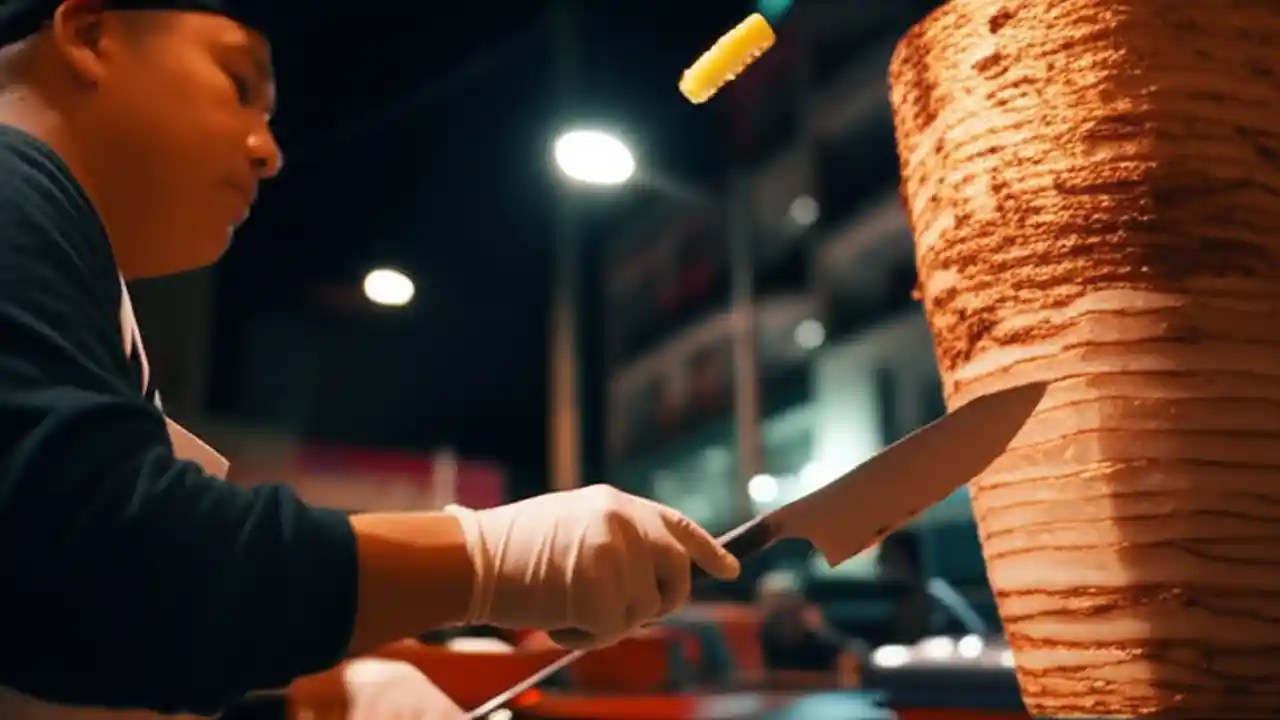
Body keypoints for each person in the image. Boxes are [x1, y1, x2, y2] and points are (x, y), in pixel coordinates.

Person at [0, 0, 741, 717]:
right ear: (91, 34)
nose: (269, 150)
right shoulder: (12, 190)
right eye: (238, 84)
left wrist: (317, 693)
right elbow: (108, 571)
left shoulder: (75, 262)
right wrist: (489, 559)